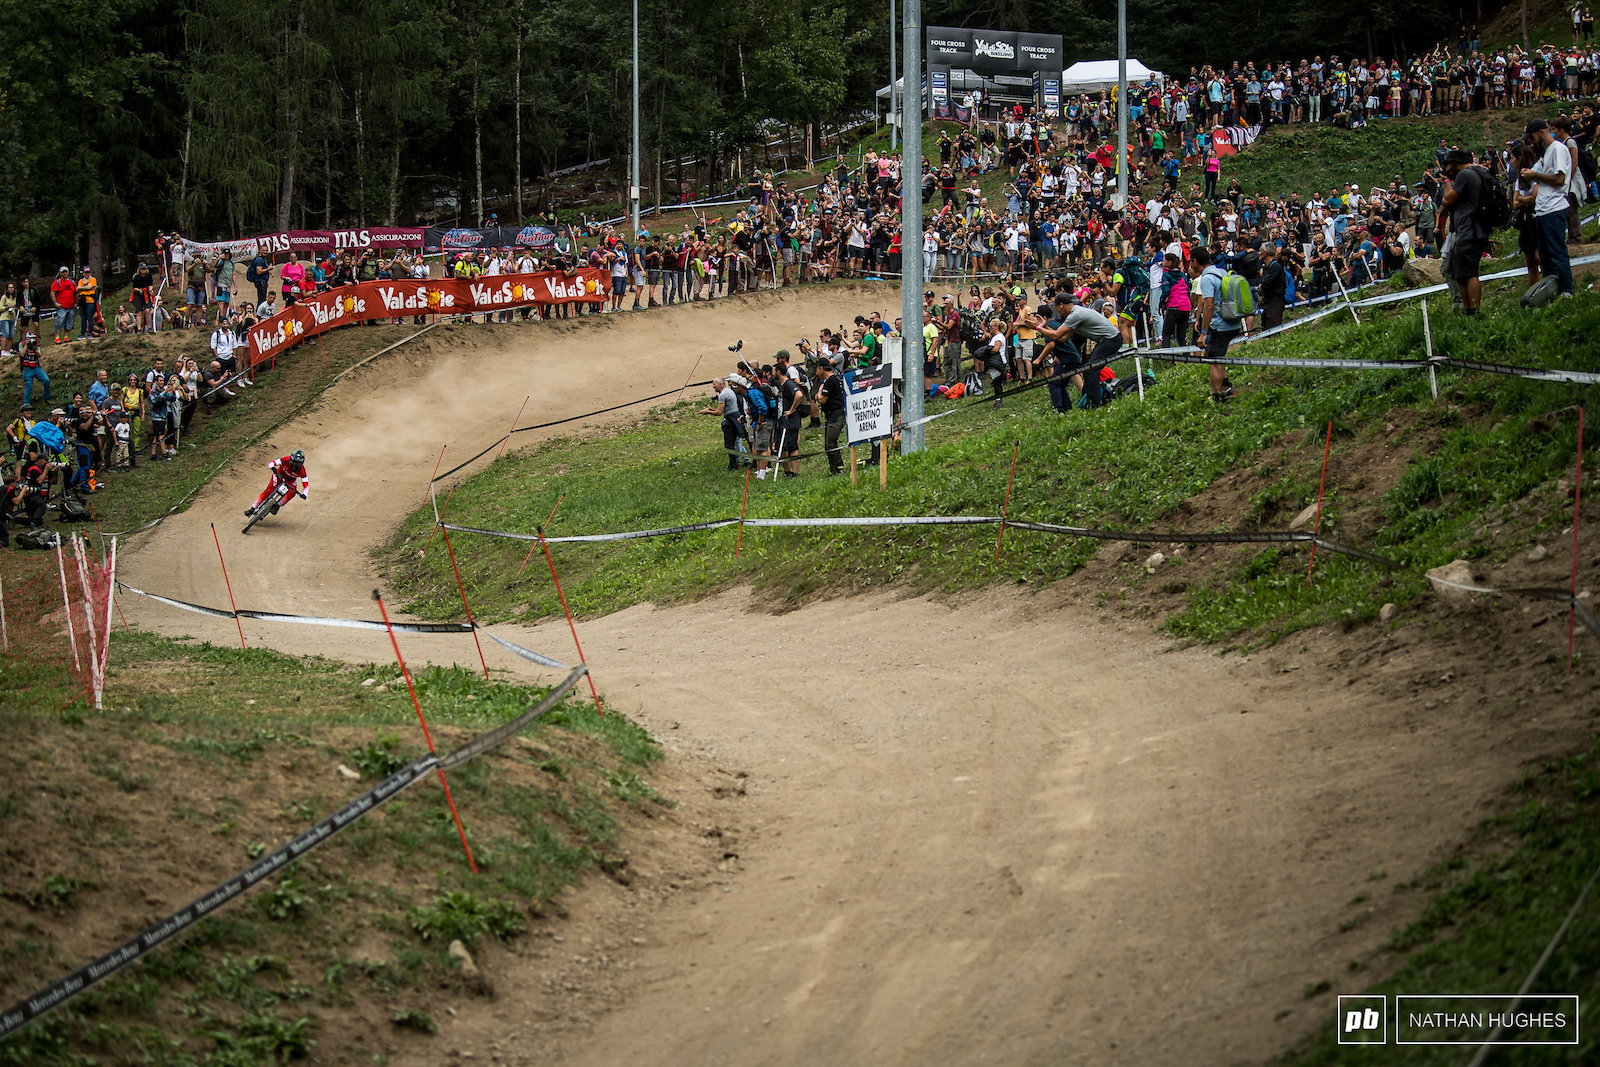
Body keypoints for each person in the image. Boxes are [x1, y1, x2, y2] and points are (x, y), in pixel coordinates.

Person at [1033, 291, 1115, 409]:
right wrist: (1044, 327)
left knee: (1056, 383)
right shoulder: (1060, 321)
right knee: (1061, 383)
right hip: (1071, 356)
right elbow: (1064, 339)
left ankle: (1078, 407)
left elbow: (1054, 339)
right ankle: (1068, 408)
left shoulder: (1074, 315)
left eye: (1056, 307)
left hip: (1078, 354)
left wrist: (1037, 327)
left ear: (1061, 305)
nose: (1057, 311)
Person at [1522, 118, 1575, 299]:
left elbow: (1560, 179)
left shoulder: (1558, 149)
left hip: (1554, 206)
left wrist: (1537, 175)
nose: (1531, 141)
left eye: (1532, 137)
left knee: (1557, 251)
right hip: (1543, 209)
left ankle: (1567, 290)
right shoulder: (1547, 152)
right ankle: (1550, 291)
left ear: (1541, 132)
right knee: (1545, 256)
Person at [1438, 148, 1489, 314]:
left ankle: (1474, 310)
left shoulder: (1465, 175)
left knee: (1469, 272)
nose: (1446, 169)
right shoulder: (1477, 172)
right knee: (1460, 272)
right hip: (1472, 229)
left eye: (1448, 165)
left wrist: (1446, 182)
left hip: (1469, 229)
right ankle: (1469, 310)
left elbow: (1447, 200)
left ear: (1454, 163)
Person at [1191, 245, 1239, 402]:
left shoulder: (1206, 279)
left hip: (1220, 325)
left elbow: (1209, 305)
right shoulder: (1221, 272)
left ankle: (1216, 396)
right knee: (1217, 355)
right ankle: (1226, 386)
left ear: (1195, 261)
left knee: (1213, 360)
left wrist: (1203, 333)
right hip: (1232, 320)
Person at [699, 378, 744, 471]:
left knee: (729, 443)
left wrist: (708, 412)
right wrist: (712, 410)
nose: (713, 386)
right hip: (735, 416)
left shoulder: (722, 395)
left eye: (714, 384)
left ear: (720, 384)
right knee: (736, 441)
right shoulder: (729, 391)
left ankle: (733, 465)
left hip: (730, 420)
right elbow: (724, 409)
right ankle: (741, 461)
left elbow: (719, 412)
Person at [249, 449, 309, 516]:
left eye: (298, 464)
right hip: (279, 475)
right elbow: (271, 463)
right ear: (290, 460)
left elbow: (306, 485)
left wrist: (304, 494)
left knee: (292, 493)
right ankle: (252, 508)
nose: (295, 466)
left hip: (290, 480)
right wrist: (273, 468)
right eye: (294, 463)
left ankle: (278, 505)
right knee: (268, 491)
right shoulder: (285, 459)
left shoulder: (302, 471)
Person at [815, 359, 846, 474]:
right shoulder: (836, 378)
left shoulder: (829, 381)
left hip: (836, 414)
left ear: (821, 368)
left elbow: (822, 400)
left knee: (830, 443)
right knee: (829, 444)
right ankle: (834, 469)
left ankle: (838, 468)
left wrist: (819, 391)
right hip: (834, 414)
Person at [17, 331, 48, 407]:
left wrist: (34, 349)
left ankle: (47, 397)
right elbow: (21, 354)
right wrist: (27, 345)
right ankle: (26, 403)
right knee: (29, 387)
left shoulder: (36, 345)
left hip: (36, 367)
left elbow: (39, 355)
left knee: (46, 380)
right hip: (27, 369)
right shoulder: (22, 344)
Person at [50, 267, 77, 344]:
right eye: (63, 272)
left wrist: (76, 302)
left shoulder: (72, 282)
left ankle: (66, 337)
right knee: (60, 321)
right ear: (60, 273)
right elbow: (52, 293)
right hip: (61, 306)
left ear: (68, 272)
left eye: (66, 272)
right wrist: (55, 303)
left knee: (70, 321)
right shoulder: (57, 282)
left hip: (71, 306)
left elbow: (76, 292)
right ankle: (57, 337)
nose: (64, 273)